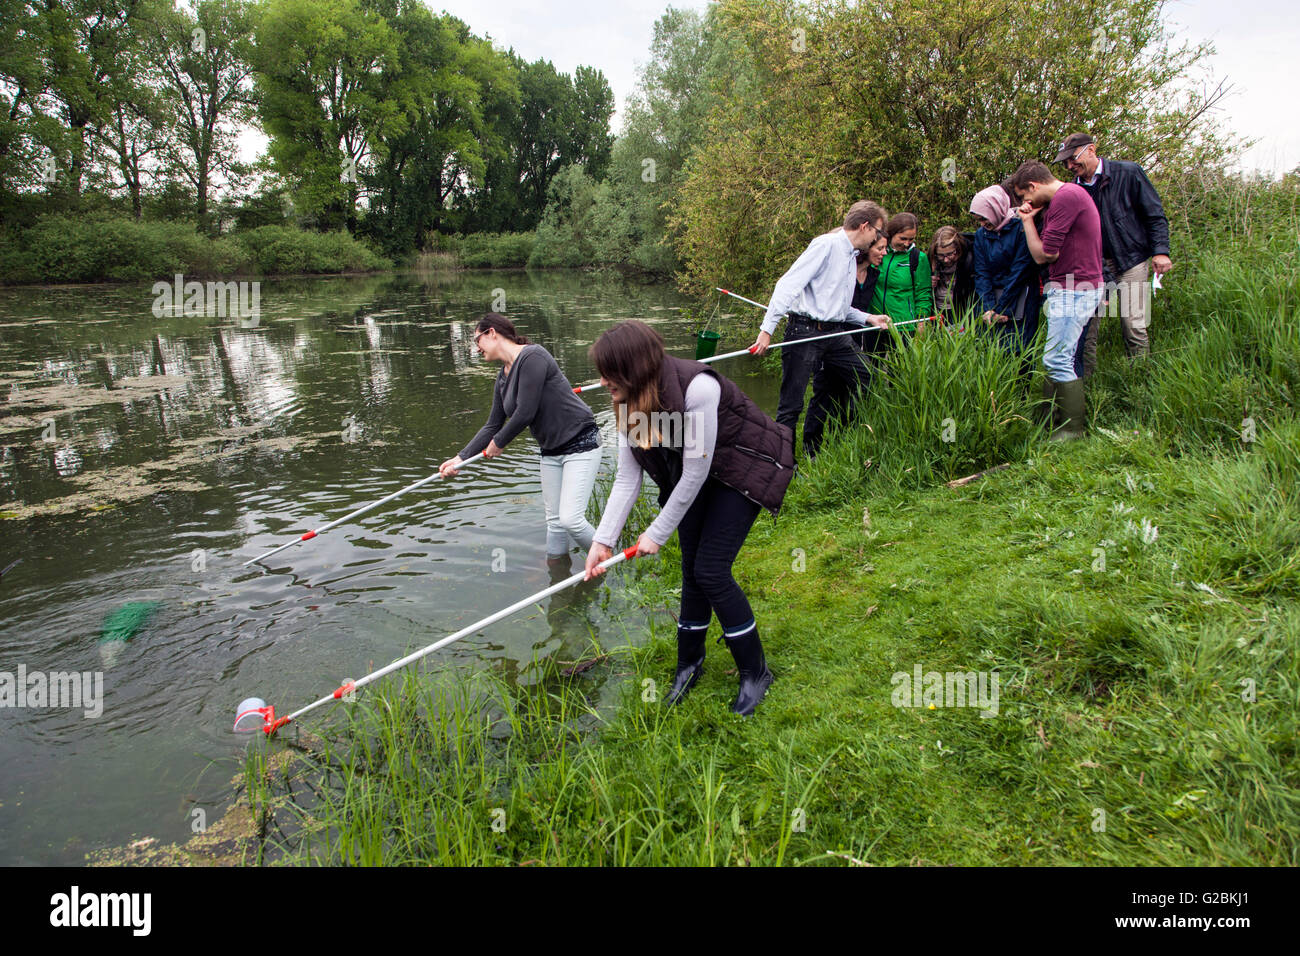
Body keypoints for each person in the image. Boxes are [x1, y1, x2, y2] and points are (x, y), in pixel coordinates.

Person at [584, 321, 794, 716]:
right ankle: (689, 666)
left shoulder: (698, 387)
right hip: (700, 473)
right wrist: (603, 541)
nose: (602, 381)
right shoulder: (629, 402)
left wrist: (657, 532)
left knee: (712, 570)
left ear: (634, 368)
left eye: (609, 372)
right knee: (691, 570)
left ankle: (755, 672)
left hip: (742, 468)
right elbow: (628, 476)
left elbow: (697, 470)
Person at [440, 313, 602, 563]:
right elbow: (492, 424)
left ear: (491, 333)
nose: (476, 348)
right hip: (550, 450)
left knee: (571, 519)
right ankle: (556, 578)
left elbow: (526, 411)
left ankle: (610, 560)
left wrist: (500, 442)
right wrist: (459, 458)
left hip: (581, 442)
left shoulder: (533, 356)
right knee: (555, 522)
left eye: (477, 340)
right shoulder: (502, 378)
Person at [751, 200, 891, 458]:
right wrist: (767, 330)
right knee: (791, 405)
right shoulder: (826, 245)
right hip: (804, 332)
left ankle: (850, 444)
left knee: (867, 378)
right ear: (864, 226)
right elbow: (787, 286)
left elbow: (837, 307)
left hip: (834, 335)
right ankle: (784, 465)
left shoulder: (850, 256)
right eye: (876, 231)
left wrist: (868, 318)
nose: (877, 238)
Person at [1055, 132, 1172, 374]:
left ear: (1091, 150)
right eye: (1065, 162)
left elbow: (1154, 214)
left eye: (1073, 158)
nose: (1069, 165)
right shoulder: (1071, 192)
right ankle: (1087, 385)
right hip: (1093, 266)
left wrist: (1160, 251)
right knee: (1085, 327)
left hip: (1131, 260)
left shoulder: (1128, 173)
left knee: (1132, 323)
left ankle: (1139, 381)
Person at [1009, 161, 1104, 440]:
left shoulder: (1065, 197)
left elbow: (1044, 255)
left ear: (1033, 186)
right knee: (1055, 356)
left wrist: (1027, 221)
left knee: (1058, 357)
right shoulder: (1067, 198)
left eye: (1025, 197)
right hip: (1070, 287)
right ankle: (1051, 418)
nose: (1025, 202)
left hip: (1075, 288)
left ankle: (1072, 430)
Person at [969, 184, 1041, 356]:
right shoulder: (981, 235)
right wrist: (989, 308)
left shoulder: (1020, 228)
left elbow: (1020, 271)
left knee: (1020, 351)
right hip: (993, 297)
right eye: (979, 219)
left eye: (984, 217)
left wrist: (1003, 309)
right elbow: (981, 272)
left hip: (1021, 295)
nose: (983, 223)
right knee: (992, 351)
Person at [870, 213, 934, 326]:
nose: (906, 243)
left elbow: (923, 294)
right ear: (892, 233)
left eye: (911, 239)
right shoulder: (877, 253)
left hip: (903, 325)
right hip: (874, 323)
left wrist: (921, 322)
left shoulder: (918, 258)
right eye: (903, 238)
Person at [928, 225, 977, 325]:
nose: (946, 260)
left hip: (962, 312)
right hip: (938, 310)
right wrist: (928, 282)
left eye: (950, 254)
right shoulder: (931, 259)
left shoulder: (970, 259)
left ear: (958, 248)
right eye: (941, 255)